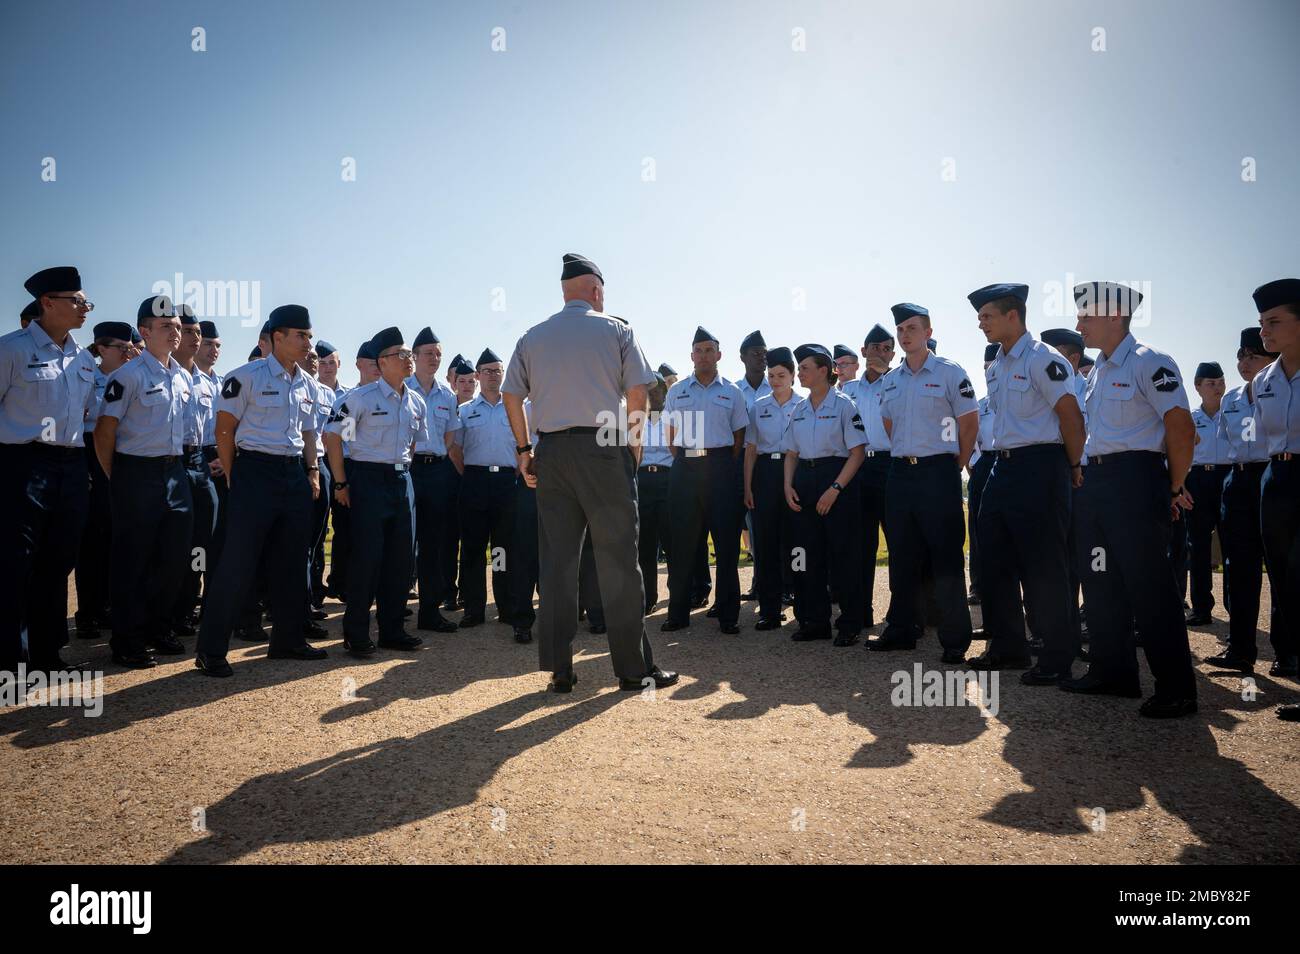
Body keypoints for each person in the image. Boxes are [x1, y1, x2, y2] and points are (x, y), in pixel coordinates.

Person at [501, 252, 676, 692]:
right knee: (619, 561)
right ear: (596, 290)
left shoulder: (532, 336)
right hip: (603, 448)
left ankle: (560, 670)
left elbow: (510, 396)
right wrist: (634, 444)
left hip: (552, 451)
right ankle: (633, 671)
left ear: (565, 291)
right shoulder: (616, 328)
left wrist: (525, 449)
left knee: (558, 564)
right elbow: (639, 390)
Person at [1063, 281, 1197, 717]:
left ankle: (1176, 688)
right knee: (1101, 582)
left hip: (1135, 482)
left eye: (1086, 315)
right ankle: (1113, 673)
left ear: (1115, 317)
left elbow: (1179, 428)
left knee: (1150, 587)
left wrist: (1173, 487)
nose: (1079, 323)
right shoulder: (1097, 370)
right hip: (1097, 485)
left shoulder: (1150, 362)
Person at [193, 304, 326, 677]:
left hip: (293, 474)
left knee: (291, 562)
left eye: (310, 336)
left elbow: (308, 432)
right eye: (301, 336)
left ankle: (287, 640)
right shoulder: (244, 377)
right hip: (254, 471)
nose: (307, 343)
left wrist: (313, 471)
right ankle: (211, 650)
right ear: (277, 337)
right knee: (237, 563)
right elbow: (224, 430)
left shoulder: (307, 384)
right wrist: (236, 476)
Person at [966, 284, 1087, 685]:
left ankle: (1056, 657)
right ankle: (1008, 647)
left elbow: (1070, 416)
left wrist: (1072, 465)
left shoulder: (1042, 358)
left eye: (987, 315)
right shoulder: (997, 365)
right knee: (993, 559)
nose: (980, 322)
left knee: (1044, 566)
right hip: (1002, 466)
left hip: (1041, 465)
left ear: (1012, 315)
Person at [0, 267, 99, 676]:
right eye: (76, 301)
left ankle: (47, 653)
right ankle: (10, 661)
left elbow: (89, 414)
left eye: (85, 302)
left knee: (59, 561)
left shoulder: (83, 357)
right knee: (14, 562)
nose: (84, 308)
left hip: (71, 464)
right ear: (47, 303)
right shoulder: (13, 350)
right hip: (22, 463)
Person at [870, 303, 978, 663]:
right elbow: (889, 425)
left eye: (912, 328)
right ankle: (901, 629)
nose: (905, 335)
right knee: (902, 556)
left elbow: (968, 423)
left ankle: (954, 640)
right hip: (900, 474)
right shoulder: (891, 380)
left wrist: (954, 465)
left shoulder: (950, 372)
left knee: (945, 557)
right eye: (900, 329)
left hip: (938, 473)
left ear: (928, 333)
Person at [94, 295, 195, 666]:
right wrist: (116, 477)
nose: (174, 333)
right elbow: (104, 432)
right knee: (132, 560)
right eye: (166, 326)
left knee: (173, 557)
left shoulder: (183, 377)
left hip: (174, 472)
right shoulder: (128, 376)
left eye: (178, 328)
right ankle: (126, 640)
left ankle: (158, 626)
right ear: (145, 331)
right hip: (136, 471)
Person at [324, 326, 425, 656]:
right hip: (368, 479)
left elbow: (412, 443)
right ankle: (356, 634)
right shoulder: (361, 399)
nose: (408, 359)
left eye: (409, 354)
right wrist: (340, 482)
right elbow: (335, 438)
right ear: (381, 362)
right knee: (367, 559)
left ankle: (392, 631)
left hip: (401, 481)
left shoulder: (415, 403)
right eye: (401, 354)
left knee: (400, 560)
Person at [661, 326, 749, 634]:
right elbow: (670, 437)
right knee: (683, 544)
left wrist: (718, 461)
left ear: (719, 355)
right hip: (686, 468)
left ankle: (728, 614)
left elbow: (739, 437)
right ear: (691, 356)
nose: (703, 355)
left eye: (709, 350)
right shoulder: (677, 391)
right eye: (698, 350)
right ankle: (678, 613)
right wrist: (688, 459)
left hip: (721, 468)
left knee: (726, 545)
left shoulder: (732, 392)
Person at [783, 344, 866, 644]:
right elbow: (791, 452)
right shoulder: (799, 410)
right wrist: (787, 485)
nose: (800, 373)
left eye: (804, 367)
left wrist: (835, 488)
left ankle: (850, 624)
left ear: (823, 371)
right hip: (805, 480)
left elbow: (857, 453)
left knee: (844, 555)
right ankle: (815, 621)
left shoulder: (845, 405)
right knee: (806, 555)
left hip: (837, 478)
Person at [1205, 328, 1277, 672]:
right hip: (1238, 478)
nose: (1245, 362)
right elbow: (1225, 443)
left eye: (1254, 355)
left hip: (1272, 473)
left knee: (1282, 569)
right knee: (1238, 568)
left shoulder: (1282, 389)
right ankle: (1240, 649)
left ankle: (1286, 651)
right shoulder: (1231, 399)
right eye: (1241, 356)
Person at [1251, 278, 1300, 722]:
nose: (1264, 330)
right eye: (1262, 323)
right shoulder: (1264, 380)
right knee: (1284, 579)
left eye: (1274, 322)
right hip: (1277, 477)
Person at [74, 320, 133, 638]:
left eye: (129, 348)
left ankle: (108, 605)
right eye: (120, 348)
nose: (127, 353)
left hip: (122, 454)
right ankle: (87, 612)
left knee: (115, 535)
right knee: (92, 539)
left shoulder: (129, 378)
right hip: (89, 453)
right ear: (100, 349)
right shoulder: (87, 376)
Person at [453, 348, 518, 628]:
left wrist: (512, 472)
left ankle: (504, 607)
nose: (493, 376)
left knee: (503, 550)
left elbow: (525, 447)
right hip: (475, 482)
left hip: (506, 483)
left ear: (503, 374)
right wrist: (470, 474)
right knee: (473, 548)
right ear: (477, 376)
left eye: (498, 370)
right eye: (487, 371)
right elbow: (455, 449)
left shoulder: (517, 408)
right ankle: (474, 609)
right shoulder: (465, 411)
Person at [167, 305, 220, 640]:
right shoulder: (163, 374)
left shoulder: (208, 383)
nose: (194, 338)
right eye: (188, 332)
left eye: (197, 333)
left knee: (203, 542)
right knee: (172, 544)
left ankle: (188, 608)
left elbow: (223, 427)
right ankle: (166, 614)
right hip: (168, 462)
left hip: (201, 460)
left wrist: (222, 457)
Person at [406, 327, 463, 632]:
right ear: (413, 357)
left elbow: (451, 435)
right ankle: (391, 611)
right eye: (428, 353)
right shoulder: (401, 388)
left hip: (437, 470)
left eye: (438, 353)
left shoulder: (446, 395)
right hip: (408, 469)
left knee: (433, 544)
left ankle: (429, 612)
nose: (435, 358)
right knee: (400, 542)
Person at [841, 323, 896, 628]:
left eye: (886, 348)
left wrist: (887, 377)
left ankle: (899, 613)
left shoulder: (900, 383)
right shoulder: (848, 391)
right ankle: (859, 612)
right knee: (859, 545)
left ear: (893, 353)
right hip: (858, 467)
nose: (880, 353)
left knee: (899, 543)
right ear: (863, 352)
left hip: (891, 466)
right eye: (874, 347)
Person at [744, 347, 800, 629]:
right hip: (765, 474)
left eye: (781, 375)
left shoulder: (803, 405)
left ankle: (802, 602)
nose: (775, 380)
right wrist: (747, 488)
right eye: (771, 375)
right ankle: (769, 608)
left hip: (796, 473)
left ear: (793, 375)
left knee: (796, 543)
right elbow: (751, 449)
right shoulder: (759, 405)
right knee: (765, 542)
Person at [1184, 361, 1230, 626]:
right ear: (1198, 387)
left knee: (1232, 546)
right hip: (1198, 479)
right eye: (1211, 383)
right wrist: (1181, 485)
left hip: (1228, 478)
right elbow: (1177, 454)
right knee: (1198, 547)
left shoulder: (1234, 413)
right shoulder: (1190, 419)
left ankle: (1236, 607)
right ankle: (1202, 608)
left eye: (1221, 382)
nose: (1217, 387)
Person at [965, 343, 1000, 606]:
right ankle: (978, 586)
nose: (990, 372)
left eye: (994, 367)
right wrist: (974, 465)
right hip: (985, 464)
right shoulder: (980, 405)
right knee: (978, 530)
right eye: (986, 368)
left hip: (1012, 461)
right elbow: (970, 437)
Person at [637, 374, 674, 614]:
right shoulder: (633, 420)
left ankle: (678, 598)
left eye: (657, 391)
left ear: (664, 392)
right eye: (648, 391)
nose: (653, 395)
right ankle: (647, 597)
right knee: (645, 545)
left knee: (672, 544)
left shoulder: (675, 419)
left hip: (668, 481)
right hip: (641, 482)